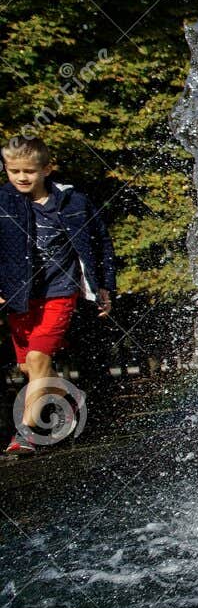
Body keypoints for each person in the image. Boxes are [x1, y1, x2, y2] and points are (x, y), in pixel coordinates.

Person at [0, 136, 115, 453]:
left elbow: (100, 241)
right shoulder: (3, 203)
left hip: (60, 294)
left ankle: (25, 433)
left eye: (29, 171)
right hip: (20, 298)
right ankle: (71, 397)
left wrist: (104, 285)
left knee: (38, 359)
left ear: (46, 169)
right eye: (14, 171)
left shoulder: (72, 201)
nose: (22, 177)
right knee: (29, 368)